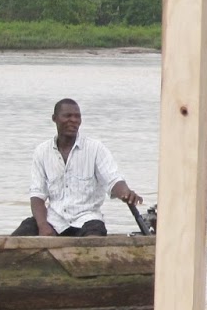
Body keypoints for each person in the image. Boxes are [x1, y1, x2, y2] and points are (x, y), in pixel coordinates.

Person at [11, 99, 141, 236]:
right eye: (67, 116)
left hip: (87, 220)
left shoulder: (95, 148)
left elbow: (113, 180)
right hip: (54, 220)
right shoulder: (42, 151)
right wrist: (43, 225)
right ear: (55, 119)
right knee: (21, 234)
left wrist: (126, 192)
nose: (73, 120)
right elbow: (37, 195)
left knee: (93, 241)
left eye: (77, 116)